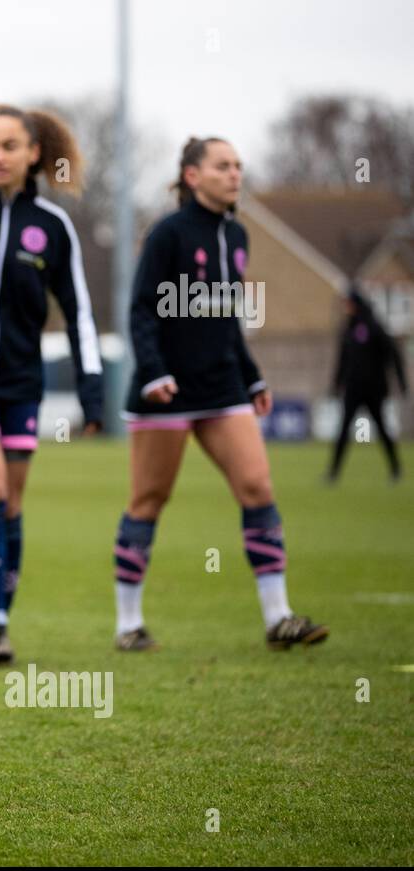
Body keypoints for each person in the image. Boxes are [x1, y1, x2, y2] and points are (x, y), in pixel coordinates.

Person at [113, 136, 327, 652]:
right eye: (223, 165)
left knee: (257, 488)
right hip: (166, 390)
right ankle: (128, 623)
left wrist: (252, 376)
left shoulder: (237, 235)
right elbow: (142, 309)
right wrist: (154, 371)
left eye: (238, 166)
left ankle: (279, 618)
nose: (235, 174)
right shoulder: (167, 233)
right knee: (149, 499)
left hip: (223, 386)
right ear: (192, 176)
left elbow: (227, 316)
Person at [0, 105, 104, 664]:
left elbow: (77, 312)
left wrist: (91, 389)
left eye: (10, 146)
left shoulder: (53, 228)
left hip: (20, 385)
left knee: (11, 504)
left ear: (34, 153)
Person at [327, 286, 406, 482]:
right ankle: (334, 473)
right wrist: (337, 384)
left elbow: (393, 355)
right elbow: (343, 360)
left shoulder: (373, 326)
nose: (345, 307)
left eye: (347, 303)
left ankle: (396, 469)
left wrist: (401, 382)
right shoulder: (348, 328)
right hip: (353, 389)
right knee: (344, 429)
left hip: (373, 389)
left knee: (381, 428)